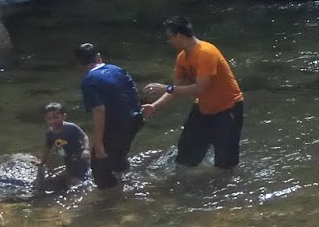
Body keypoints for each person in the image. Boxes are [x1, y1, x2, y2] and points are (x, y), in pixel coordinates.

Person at [141, 17, 244, 171]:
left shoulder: (206, 52)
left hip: (228, 108)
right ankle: (184, 188)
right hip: (203, 109)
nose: (168, 41)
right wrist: (154, 107)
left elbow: (200, 88)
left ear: (180, 36)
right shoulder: (182, 58)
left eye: (170, 36)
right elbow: (175, 89)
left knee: (226, 165)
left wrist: (165, 88)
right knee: (185, 157)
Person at [76, 43, 145, 189]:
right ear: (99, 57)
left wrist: (99, 143)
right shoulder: (117, 69)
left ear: (80, 66)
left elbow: (99, 111)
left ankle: (113, 199)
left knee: (99, 165)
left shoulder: (89, 80)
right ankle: (127, 180)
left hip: (117, 125)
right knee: (117, 153)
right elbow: (133, 92)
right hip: (136, 120)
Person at [39, 102, 90, 190]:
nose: (53, 121)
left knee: (81, 177)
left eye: (56, 117)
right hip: (67, 158)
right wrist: (42, 162)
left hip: (80, 156)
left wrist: (86, 149)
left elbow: (84, 137)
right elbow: (47, 147)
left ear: (64, 116)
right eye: (49, 119)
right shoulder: (49, 134)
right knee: (70, 173)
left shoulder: (71, 128)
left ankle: (83, 186)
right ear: (45, 119)